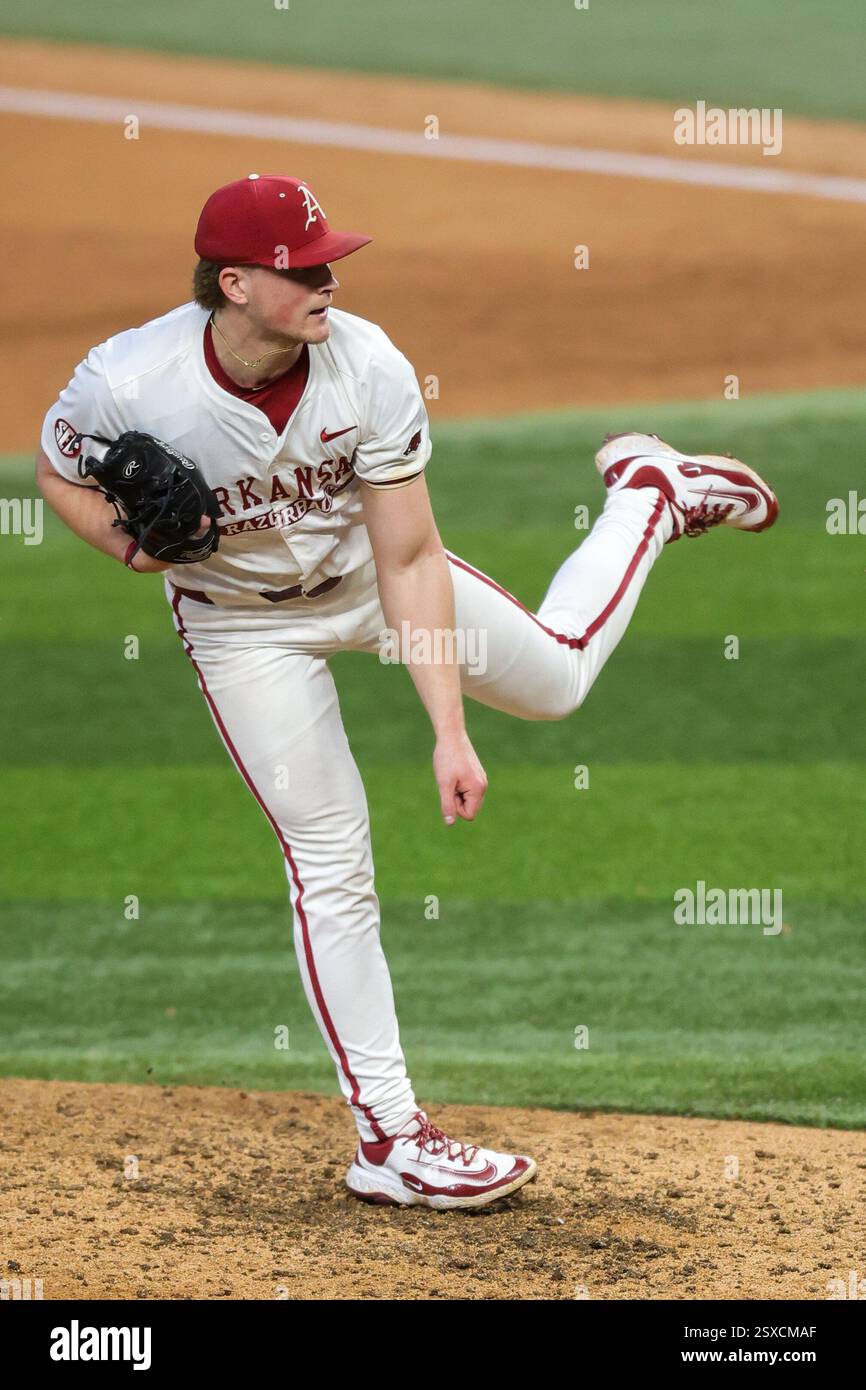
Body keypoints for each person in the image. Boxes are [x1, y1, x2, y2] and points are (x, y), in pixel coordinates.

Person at [36, 173, 778, 1211]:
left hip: (366, 582)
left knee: (556, 681)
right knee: (329, 860)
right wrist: (126, 546)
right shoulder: (127, 381)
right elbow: (57, 470)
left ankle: (648, 494)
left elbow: (410, 554)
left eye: (331, 260)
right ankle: (390, 1139)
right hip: (242, 625)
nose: (329, 280)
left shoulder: (368, 366)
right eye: (304, 269)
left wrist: (447, 730)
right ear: (236, 284)